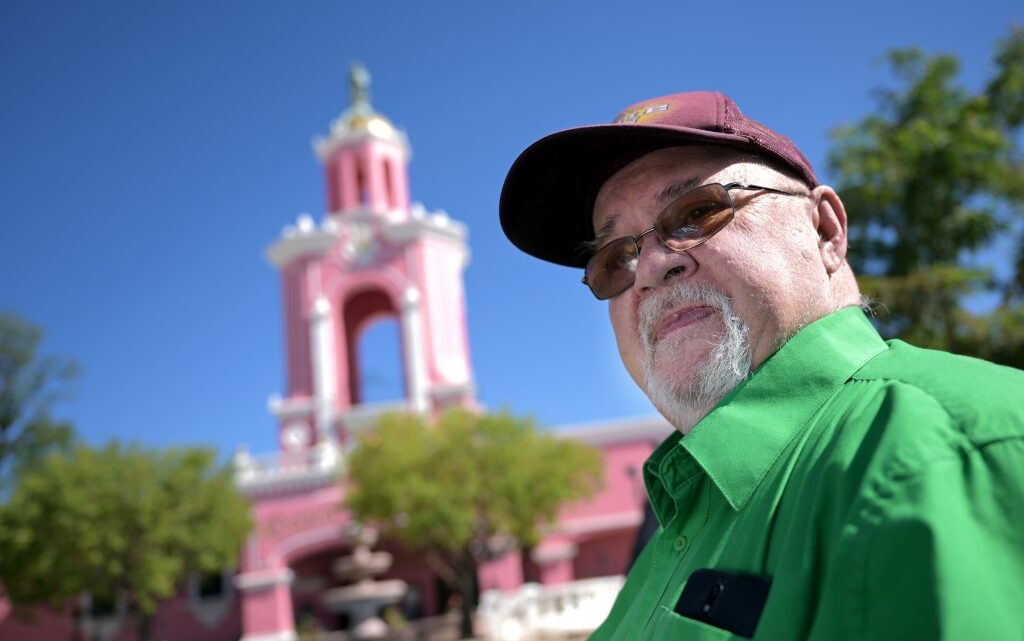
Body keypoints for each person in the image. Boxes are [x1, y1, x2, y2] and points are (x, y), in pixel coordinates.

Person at [499, 91, 1024, 640]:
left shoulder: (949, 451)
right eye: (616, 259)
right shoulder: (668, 540)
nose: (650, 267)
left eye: (698, 212)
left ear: (825, 230)